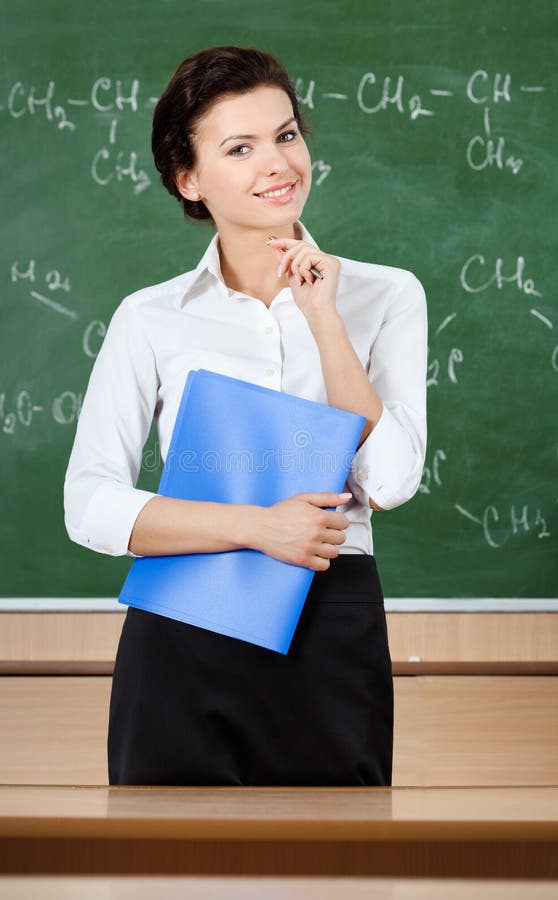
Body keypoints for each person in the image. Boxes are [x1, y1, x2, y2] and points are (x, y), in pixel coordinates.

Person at [63, 45, 427, 787]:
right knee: (167, 873)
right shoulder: (150, 317)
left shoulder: (386, 296)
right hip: (182, 624)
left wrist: (323, 319)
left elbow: (390, 480)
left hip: (331, 618)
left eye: (286, 135)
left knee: (334, 872)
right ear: (187, 178)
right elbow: (88, 504)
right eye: (240, 148)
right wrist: (259, 527)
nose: (278, 164)